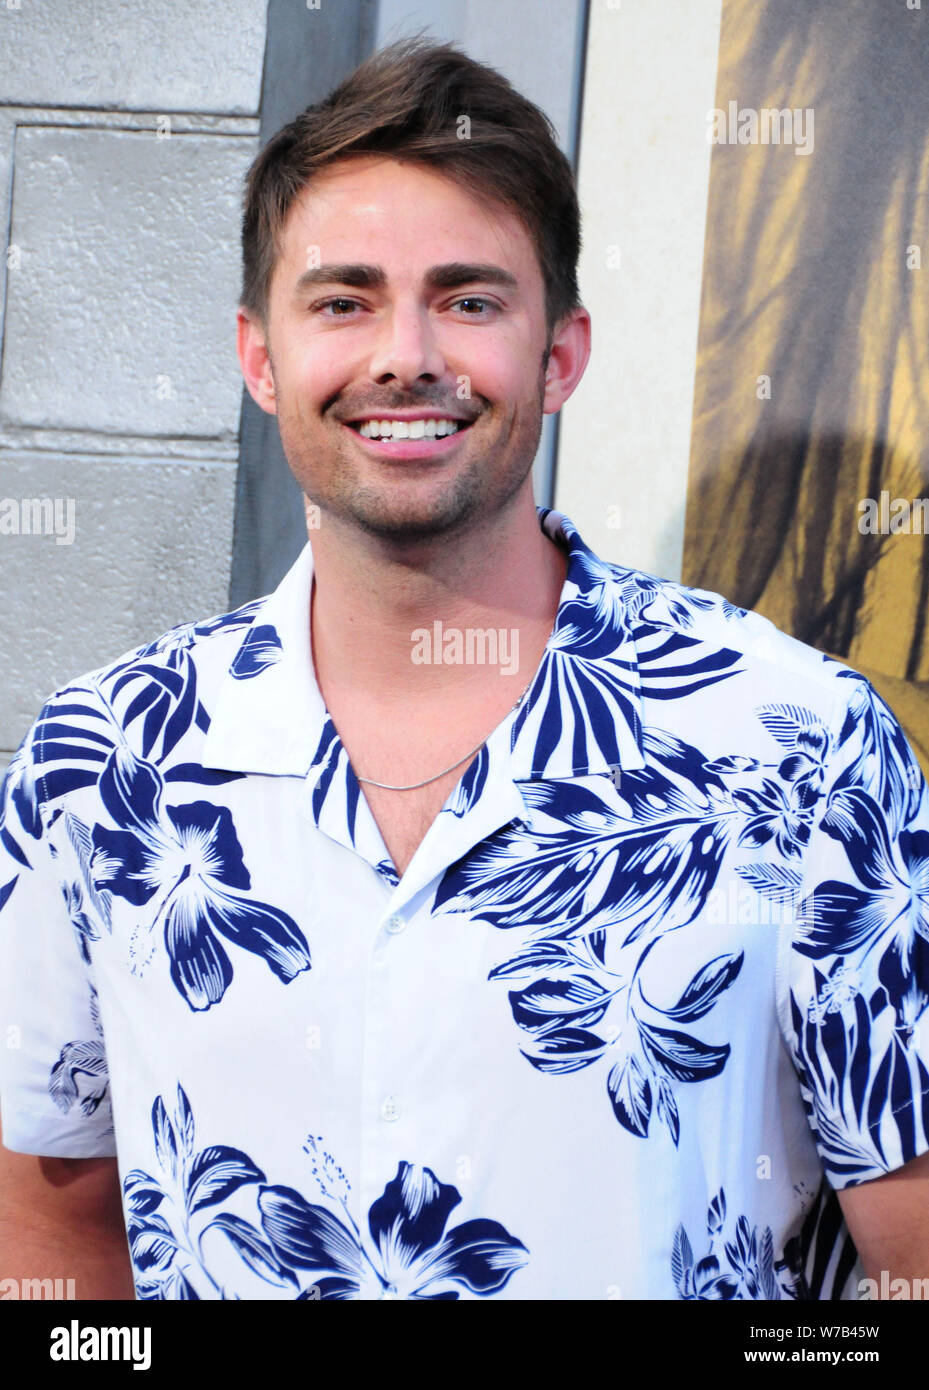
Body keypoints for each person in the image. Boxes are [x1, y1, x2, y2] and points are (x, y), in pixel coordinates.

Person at [1, 37, 927, 1303]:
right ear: (259, 357)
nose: (405, 355)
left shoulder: (799, 745)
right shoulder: (102, 760)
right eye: (343, 300)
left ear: (559, 355)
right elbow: (49, 1229)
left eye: (469, 299)